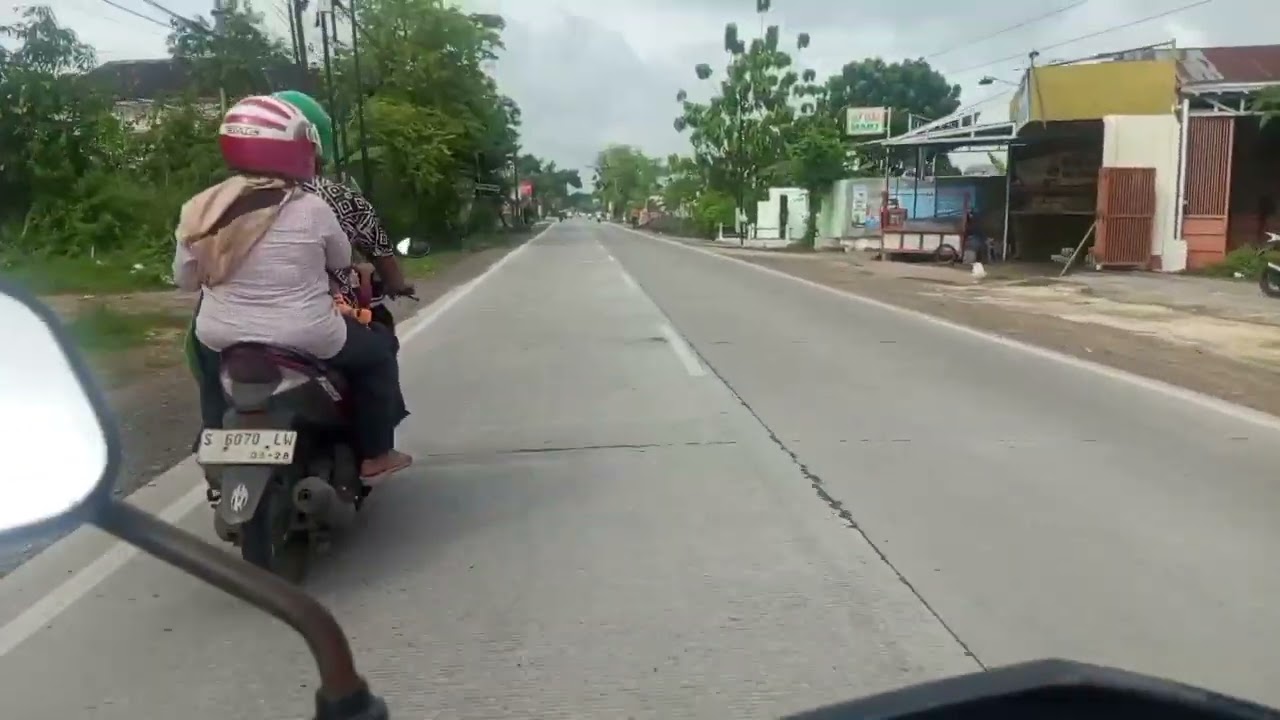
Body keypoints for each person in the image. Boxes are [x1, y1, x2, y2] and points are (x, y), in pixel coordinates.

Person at [176, 95, 412, 483]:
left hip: (220, 333)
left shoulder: (200, 207)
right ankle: (375, 453)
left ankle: (214, 435)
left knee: (206, 362)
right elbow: (339, 261)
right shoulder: (313, 206)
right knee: (379, 352)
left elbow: (185, 279)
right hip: (306, 335)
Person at [270, 90, 412, 329]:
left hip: (235, 329)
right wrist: (397, 283)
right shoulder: (339, 197)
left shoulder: (222, 201)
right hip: (325, 319)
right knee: (380, 348)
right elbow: (379, 251)